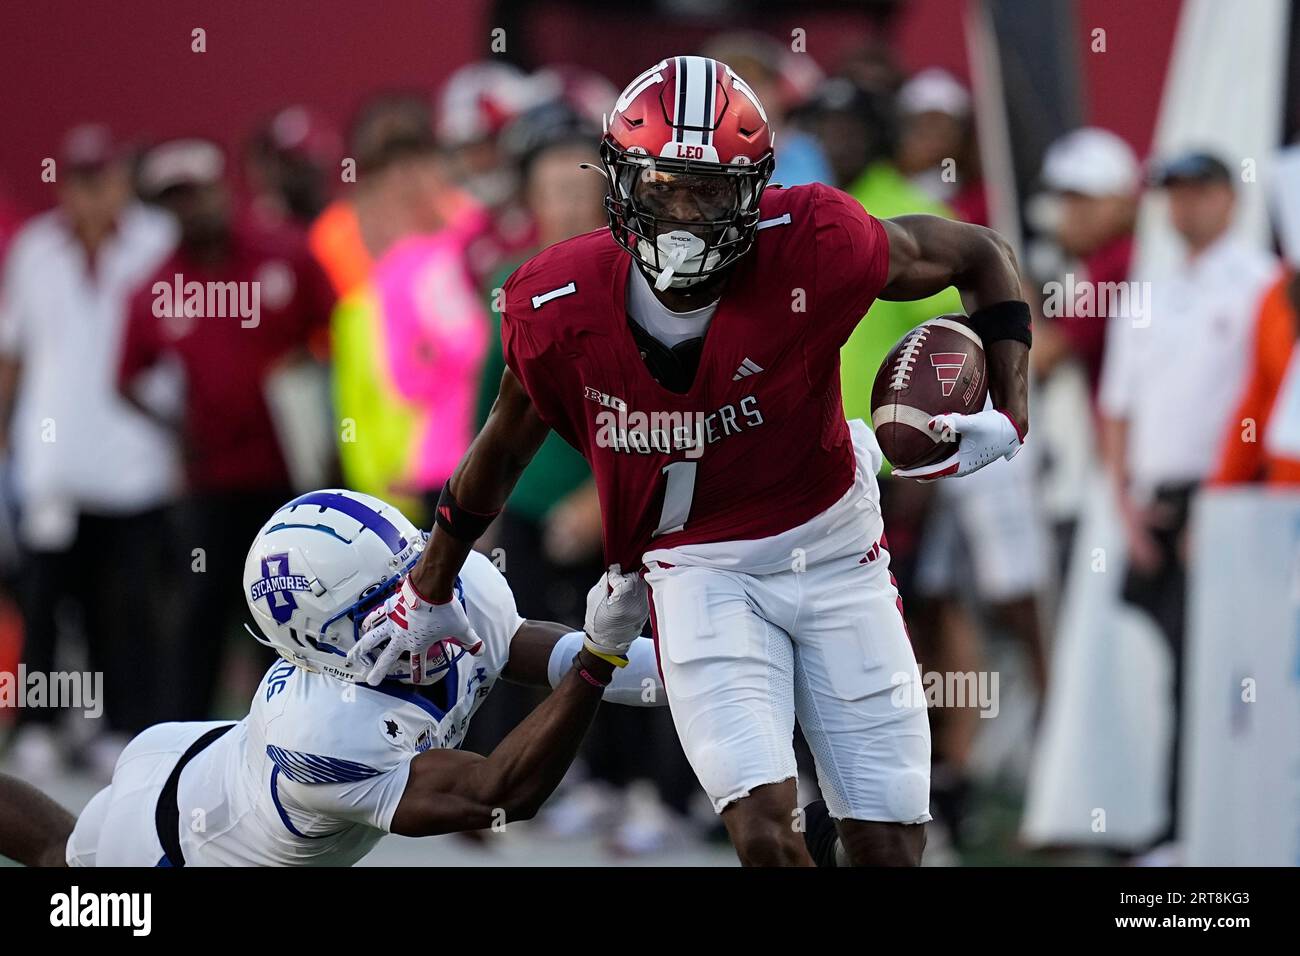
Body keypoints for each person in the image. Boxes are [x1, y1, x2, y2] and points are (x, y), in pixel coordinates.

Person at [351, 56, 1033, 867]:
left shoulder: (814, 245)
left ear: (752, 193)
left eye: (706, 191)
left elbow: (978, 251)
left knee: (887, 845)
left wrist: (1010, 410)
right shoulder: (557, 302)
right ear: (619, 182)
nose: (680, 213)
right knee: (761, 829)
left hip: (833, 546)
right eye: (661, 185)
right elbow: (495, 454)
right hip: (698, 565)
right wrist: (428, 587)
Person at [0, 489, 662, 866]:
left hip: (206, 755)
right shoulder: (321, 736)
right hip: (170, 847)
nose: (414, 600)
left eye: (410, 571)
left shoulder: (445, 582)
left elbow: (543, 653)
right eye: (381, 601)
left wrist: (701, 675)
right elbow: (502, 793)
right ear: (320, 641)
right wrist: (599, 660)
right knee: (64, 857)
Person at [119, 138, 336, 721]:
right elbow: (126, 375)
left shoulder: (283, 252)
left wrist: (314, 385)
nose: (193, 208)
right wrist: (174, 427)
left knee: (290, 606)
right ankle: (185, 734)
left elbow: (341, 328)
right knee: (202, 605)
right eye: (176, 200)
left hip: (293, 473)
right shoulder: (159, 285)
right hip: (211, 479)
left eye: (198, 193)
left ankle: (287, 732)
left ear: (223, 188)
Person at [1099, 150, 1276, 856]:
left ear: (1230, 200)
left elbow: (1262, 401)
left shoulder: (1262, 284)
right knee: (1181, 665)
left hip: (1236, 499)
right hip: (1160, 499)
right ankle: (1187, 820)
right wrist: (1125, 503)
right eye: (1174, 193)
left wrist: (1224, 505)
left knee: (1231, 672)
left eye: (1199, 192)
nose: (1186, 207)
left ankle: (1224, 820)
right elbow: (1118, 408)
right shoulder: (1150, 292)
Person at [0, 124, 180, 777]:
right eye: (78, 181)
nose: (90, 195)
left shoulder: (158, 244)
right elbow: (13, 351)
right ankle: (40, 726)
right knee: (49, 596)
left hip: (136, 456)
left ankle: (123, 725)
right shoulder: (35, 250)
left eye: (101, 180)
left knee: (128, 601)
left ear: (121, 183)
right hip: (55, 456)